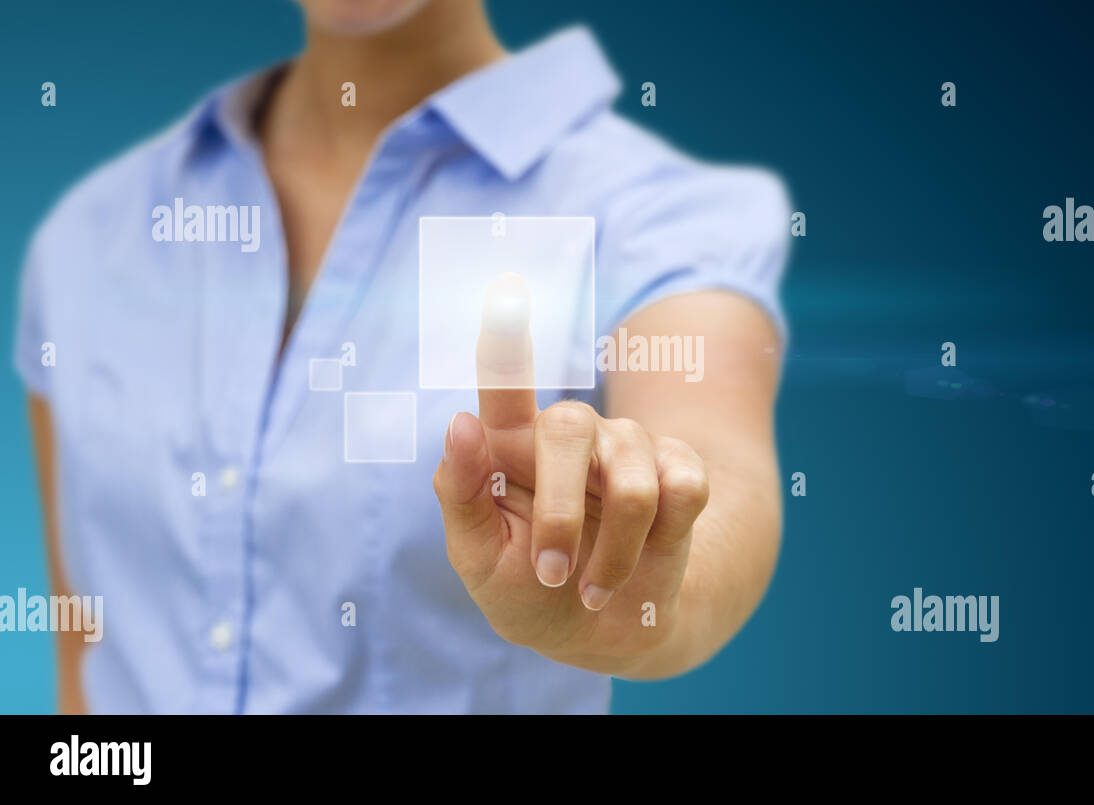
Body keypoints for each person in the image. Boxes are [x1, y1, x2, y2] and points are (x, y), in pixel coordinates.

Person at [15, 0, 789, 713]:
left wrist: (640, 591)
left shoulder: (657, 213)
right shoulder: (87, 235)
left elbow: (719, 465)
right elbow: (86, 664)